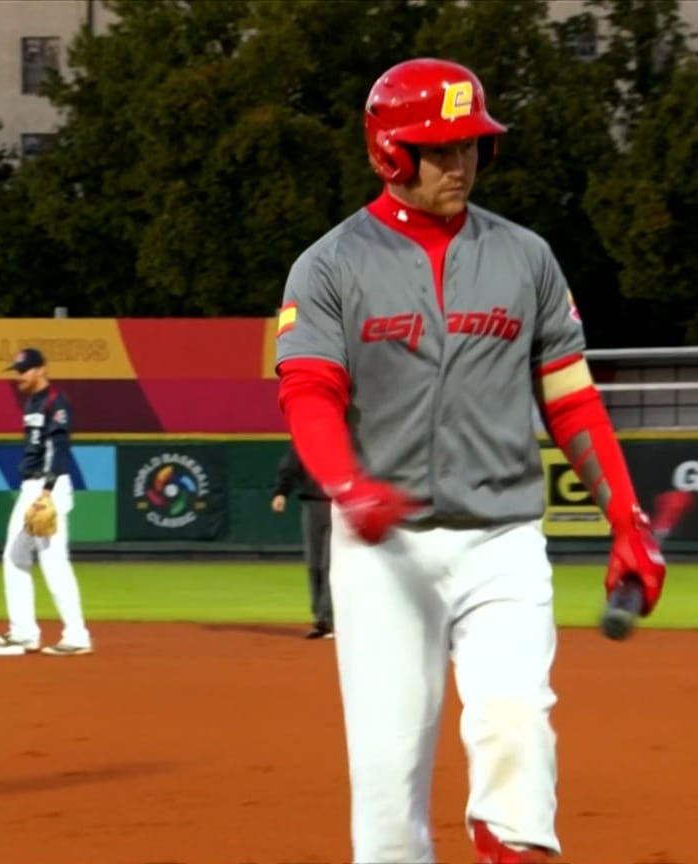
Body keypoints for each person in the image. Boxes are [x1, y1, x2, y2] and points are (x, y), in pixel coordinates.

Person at [273, 59, 667, 863]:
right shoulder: (329, 265)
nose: (462, 163)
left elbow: (572, 401)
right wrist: (346, 483)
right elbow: (307, 392)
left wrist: (625, 516)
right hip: (382, 551)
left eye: (473, 146)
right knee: (389, 781)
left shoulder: (526, 258)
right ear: (391, 153)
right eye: (442, 148)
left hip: (503, 538)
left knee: (517, 721)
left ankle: (511, 845)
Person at [0, 347, 94, 656]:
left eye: (24, 370)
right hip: (31, 485)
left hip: (49, 487)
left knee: (53, 561)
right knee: (15, 556)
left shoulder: (55, 401)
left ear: (40, 370)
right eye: (17, 370)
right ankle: (24, 632)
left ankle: (77, 635)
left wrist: (46, 491)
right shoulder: (31, 401)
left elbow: (59, 447)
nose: (19, 376)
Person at [270, 443, 333, 639]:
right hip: (311, 503)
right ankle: (321, 620)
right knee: (314, 565)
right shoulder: (306, 434)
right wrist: (281, 492)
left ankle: (329, 618)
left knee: (330, 564)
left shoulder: (348, 434)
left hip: (340, 506)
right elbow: (291, 466)